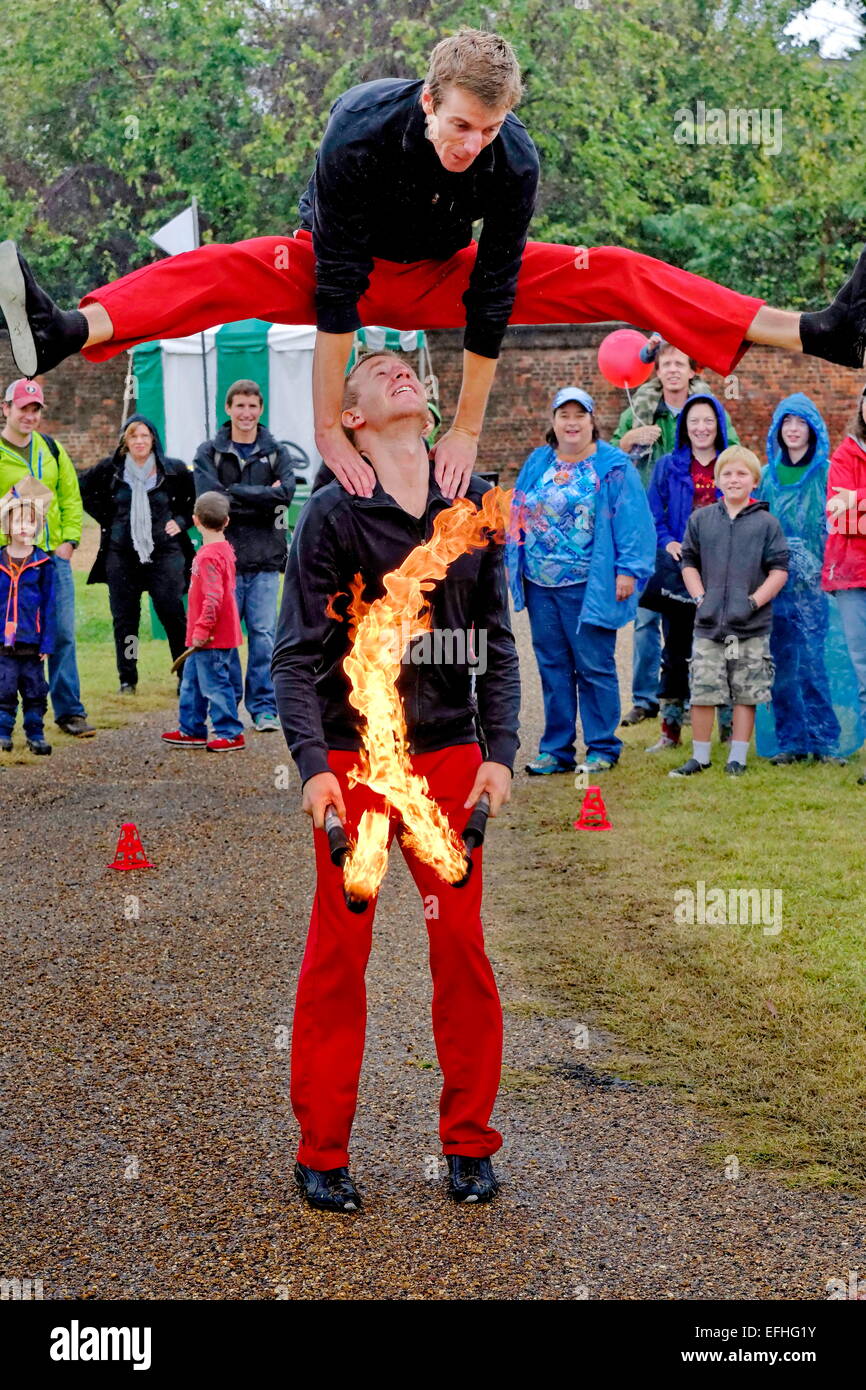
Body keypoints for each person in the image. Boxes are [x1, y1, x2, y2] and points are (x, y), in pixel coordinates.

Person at [3, 28, 866, 502]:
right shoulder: (356, 133)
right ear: (428, 100)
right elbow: (336, 293)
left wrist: (466, 430)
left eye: (488, 131)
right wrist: (333, 426)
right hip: (343, 266)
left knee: (610, 267)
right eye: (460, 126)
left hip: (450, 277)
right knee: (229, 265)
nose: (471, 147)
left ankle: (817, 330)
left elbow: (493, 298)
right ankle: (67, 328)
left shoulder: (512, 160)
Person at [271, 350, 520, 1212]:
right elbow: (297, 655)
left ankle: (469, 1146)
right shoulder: (334, 513)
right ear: (350, 417)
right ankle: (323, 1152)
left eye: (408, 364)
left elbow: (496, 642)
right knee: (339, 955)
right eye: (374, 368)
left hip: (449, 759)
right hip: (353, 762)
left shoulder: (473, 502)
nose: (401, 370)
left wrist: (502, 750)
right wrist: (311, 768)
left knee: (461, 950)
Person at [506, 386, 655, 776]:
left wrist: (628, 570)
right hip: (540, 584)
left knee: (594, 665)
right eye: (564, 415)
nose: (571, 423)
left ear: (592, 421)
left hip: (590, 584)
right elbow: (518, 510)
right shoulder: (538, 461)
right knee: (552, 666)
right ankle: (556, 750)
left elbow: (634, 522)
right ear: (553, 422)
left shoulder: (612, 465)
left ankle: (602, 746)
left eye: (579, 415)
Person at [611, 342, 739, 726]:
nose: (671, 370)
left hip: (706, 535)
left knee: (705, 622)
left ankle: (709, 705)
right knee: (650, 617)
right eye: (665, 363)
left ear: (690, 370)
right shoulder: (641, 410)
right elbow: (616, 455)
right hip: (653, 528)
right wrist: (631, 438)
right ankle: (647, 699)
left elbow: (734, 456)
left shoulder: (710, 411)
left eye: (678, 363)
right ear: (657, 371)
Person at [757, 393, 861, 765]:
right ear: (778, 429)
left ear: (813, 429)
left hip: (816, 589)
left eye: (801, 422)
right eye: (787, 422)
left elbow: (836, 523)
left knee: (816, 665)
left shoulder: (827, 473)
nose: (794, 430)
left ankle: (824, 742)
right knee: (782, 667)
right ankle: (790, 742)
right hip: (776, 589)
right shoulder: (767, 478)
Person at [672, 446, 788, 778]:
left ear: (754, 480)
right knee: (704, 689)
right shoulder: (701, 519)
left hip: (748, 628)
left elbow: (779, 569)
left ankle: (737, 757)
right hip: (709, 626)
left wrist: (753, 602)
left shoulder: (767, 524)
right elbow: (689, 561)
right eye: (727, 474)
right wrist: (699, 598)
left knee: (745, 690)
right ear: (717, 480)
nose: (734, 480)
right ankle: (700, 756)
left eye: (741, 474)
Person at [193, 379, 296, 732]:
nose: (246, 413)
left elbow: (285, 497)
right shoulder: (209, 451)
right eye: (240, 406)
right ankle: (226, 707)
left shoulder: (276, 451)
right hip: (225, 560)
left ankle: (264, 707)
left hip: (267, 559)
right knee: (225, 639)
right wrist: (261, 496)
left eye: (252, 406)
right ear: (228, 409)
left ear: (261, 409)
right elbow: (211, 500)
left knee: (264, 636)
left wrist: (235, 495)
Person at [0, 379, 94, 737]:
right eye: (22, 408)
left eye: (35, 409)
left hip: (51, 560)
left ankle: (69, 711)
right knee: (7, 636)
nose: (29, 415)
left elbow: (71, 497)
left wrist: (69, 540)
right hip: (8, 562)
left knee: (62, 634)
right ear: (5, 408)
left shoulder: (52, 449)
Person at [78, 414, 195, 692]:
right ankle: (128, 678)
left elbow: (195, 501)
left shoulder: (174, 470)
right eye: (133, 436)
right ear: (125, 441)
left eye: (144, 435)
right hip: (122, 556)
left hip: (164, 553)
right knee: (126, 618)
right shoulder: (111, 470)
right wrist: (108, 518)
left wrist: (180, 522)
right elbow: (82, 489)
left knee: (171, 611)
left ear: (153, 438)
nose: (140, 441)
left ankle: (184, 675)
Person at [644, 394, 734, 754]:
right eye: (694, 421)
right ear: (685, 426)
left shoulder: (730, 464)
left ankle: (728, 730)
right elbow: (654, 513)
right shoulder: (669, 466)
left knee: (727, 647)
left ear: (719, 426)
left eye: (708, 421)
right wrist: (667, 542)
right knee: (677, 649)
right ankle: (670, 730)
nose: (701, 428)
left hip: (726, 571)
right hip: (680, 572)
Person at [161, 491, 244, 753]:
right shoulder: (225, 549)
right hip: (209, 637)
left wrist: (201, 629)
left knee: (215, 685)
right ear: (227, 521)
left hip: (211, 638)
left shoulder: (208, 556)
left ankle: (230, 732)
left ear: (195, 521)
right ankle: (191, 729)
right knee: (192, 683)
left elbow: (213, 598)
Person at [822, 382, 866, 784]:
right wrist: (851, 508)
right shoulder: (845, 454)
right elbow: (839, 518)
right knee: (863, 666)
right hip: (853, 575)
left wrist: (857, 501)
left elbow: (852, 510)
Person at [0, 478, 55, 754]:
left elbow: (49, 605)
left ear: (38, 526)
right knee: (4, 688)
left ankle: (35, 734)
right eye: (18, 521)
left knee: (35, 690)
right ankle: (3, 734)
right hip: (3, 643)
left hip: (32, 642)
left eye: (30, 521)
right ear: (7, 526)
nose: (24, 527)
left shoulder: (43, 563)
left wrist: (47, 642)